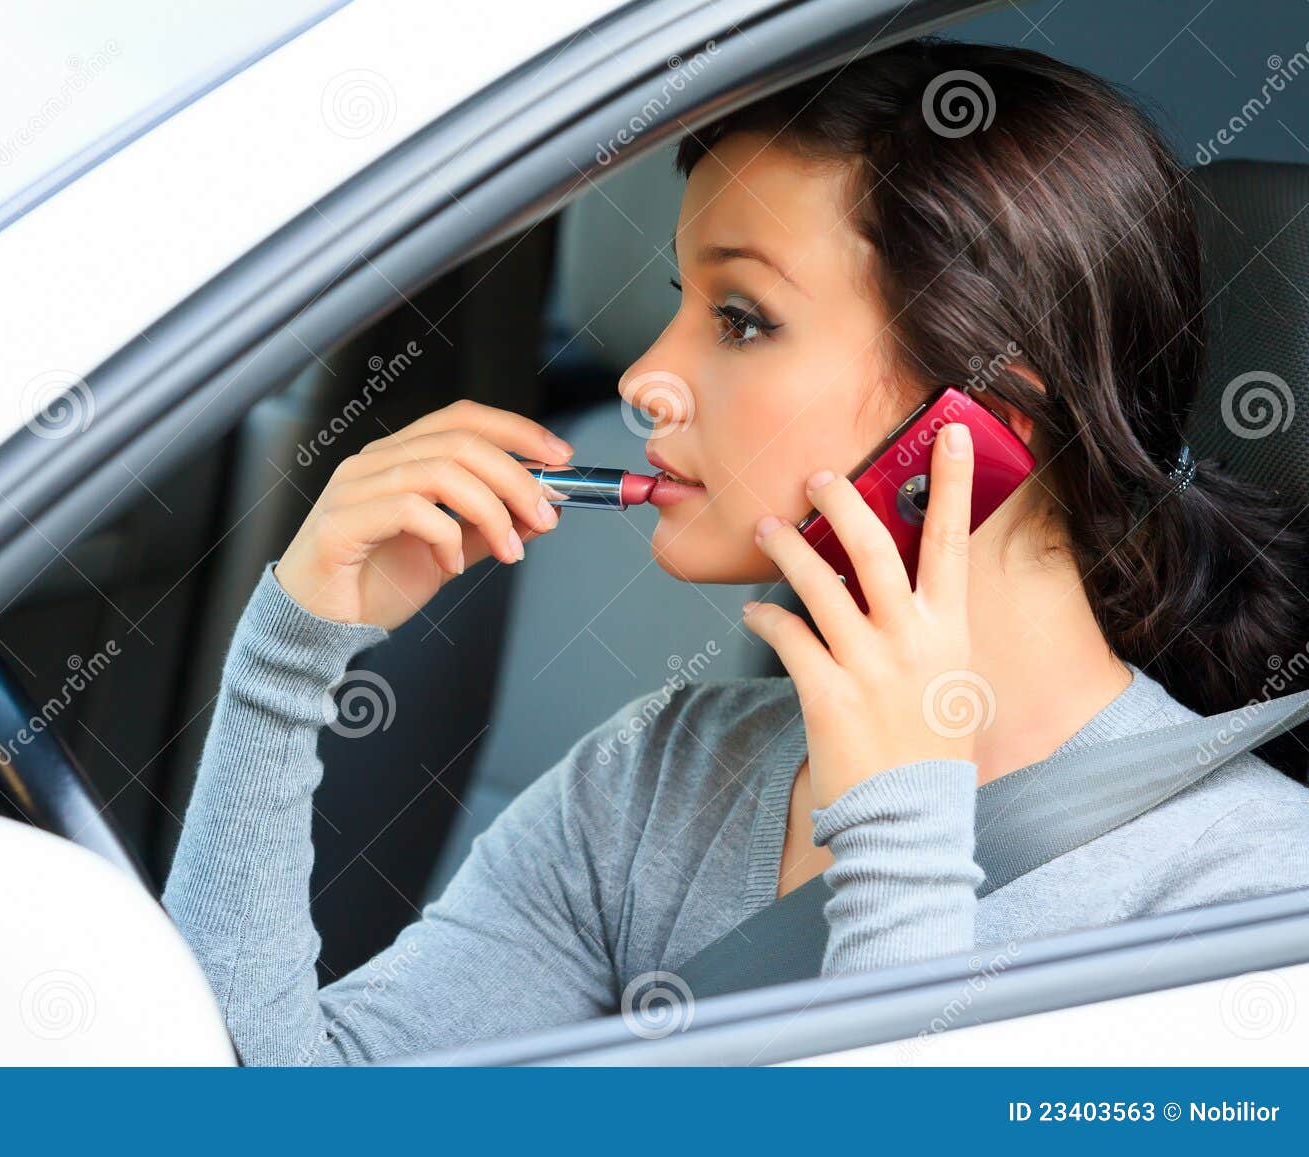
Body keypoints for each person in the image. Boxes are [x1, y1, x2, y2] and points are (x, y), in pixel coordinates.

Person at [162, 38, 1309, 1064]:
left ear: (978, 423)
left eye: (741, 317)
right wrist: (289, 654)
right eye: (681, 300)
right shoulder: (654, 777)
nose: (641, 379)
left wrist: (899, 830)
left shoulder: (1251, 900)